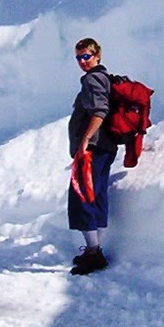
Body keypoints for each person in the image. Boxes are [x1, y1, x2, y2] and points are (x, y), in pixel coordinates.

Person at [67, 37, 116, 275]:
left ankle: (94, 252)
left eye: (86, 56)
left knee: (82, 196)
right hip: (102, 147)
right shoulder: (103, 78)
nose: (82, 62)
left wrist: (85, 140)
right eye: (78, 58)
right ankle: (93, 250)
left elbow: (100, 111)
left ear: (97, 55)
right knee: (94, 195)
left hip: (93, 149)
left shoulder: (93, 80)